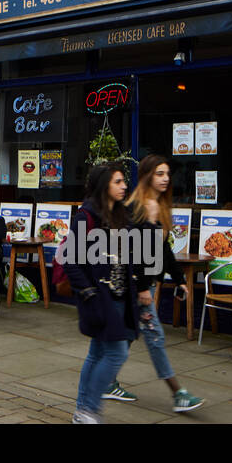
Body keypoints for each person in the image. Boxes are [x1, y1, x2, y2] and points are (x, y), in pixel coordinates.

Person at [104, 154, 205, 413]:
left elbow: (162, 248)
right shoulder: (137, 208)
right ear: (148, 175)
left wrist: (180, 279)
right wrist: (140, 288)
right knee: (155, 336)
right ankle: (178, 393)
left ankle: (106, 381)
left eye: (167, 174)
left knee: (128, 336)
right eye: (159, 173)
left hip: (145, 285)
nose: (166, 178)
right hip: (137, 286)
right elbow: (132, 251)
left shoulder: (157, 206)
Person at [65, 162, 140, 423]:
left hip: (121, 297)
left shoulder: (122, 216)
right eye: (117, 182)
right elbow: (71, 261)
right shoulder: (86, 217)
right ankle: (89, 409)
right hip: (100, 298)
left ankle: (82, 410)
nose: (124, 186)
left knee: (97, 353)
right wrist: (88, 292)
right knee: (117, 353)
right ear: (103, 185)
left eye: (123, 181)